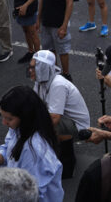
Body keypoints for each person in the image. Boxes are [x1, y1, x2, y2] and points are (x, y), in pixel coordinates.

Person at [0, 86, 63, 201]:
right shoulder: (20, 127)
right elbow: (9, 147)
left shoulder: (34, 150)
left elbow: (30, 191)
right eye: (3, 117)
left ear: (24, 116)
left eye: (9, 119)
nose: (4, 122)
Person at [30, 50, 90, 178]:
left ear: (42, 69)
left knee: (52, 126)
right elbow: (34, 104)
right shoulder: (40, 82)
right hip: (66, 119)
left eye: (33, 67)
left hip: (78, 126)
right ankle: (55, 149)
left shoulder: (58, 84)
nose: (30, 70)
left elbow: (55, 119)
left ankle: (68, 163)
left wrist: (33, 129)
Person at [37, 0, 74, 78]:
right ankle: (54, 72)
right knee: (49, 49)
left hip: (59, 22)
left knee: (63, 50)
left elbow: (70, 2)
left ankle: (66, 74)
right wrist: (38, 19)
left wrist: (64, 26)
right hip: (46, 20)